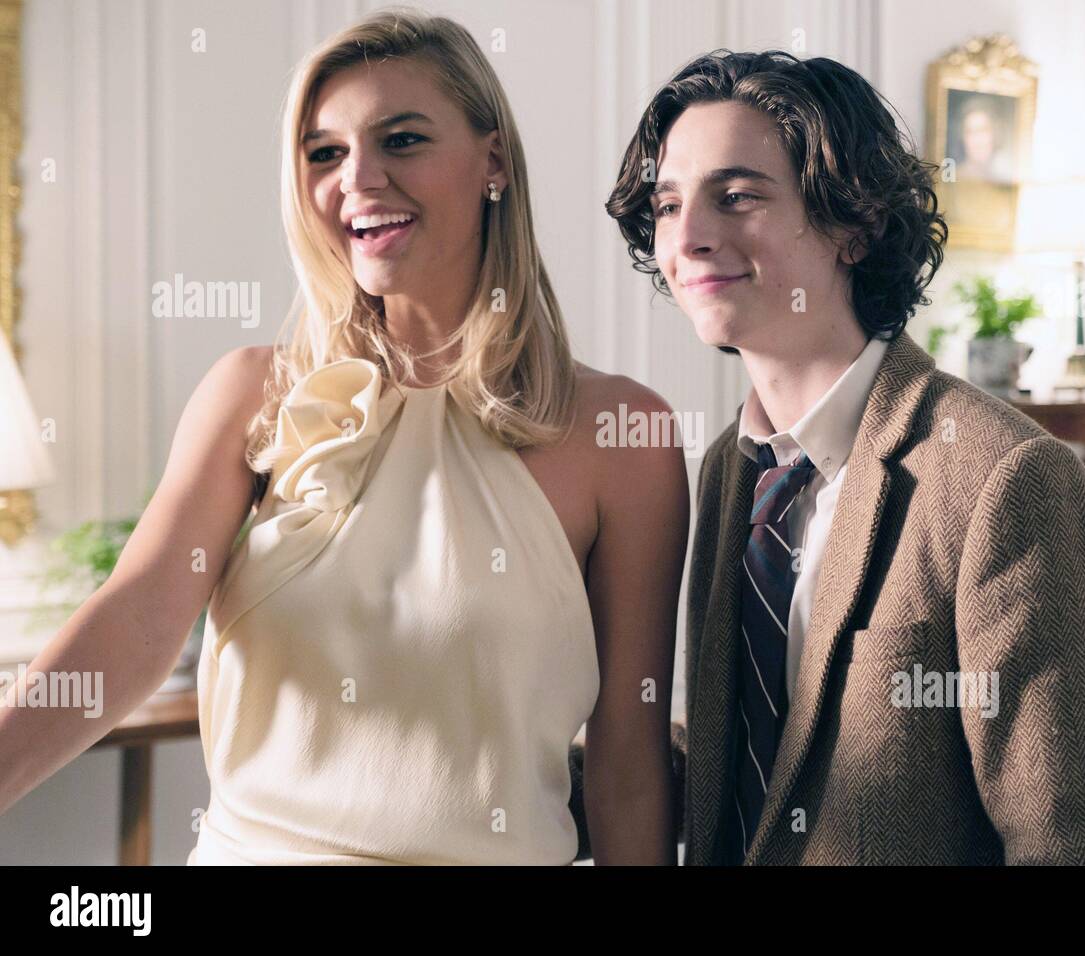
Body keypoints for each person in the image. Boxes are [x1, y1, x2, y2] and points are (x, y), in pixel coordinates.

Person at [0, 9, 686, 866]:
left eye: (401, 141)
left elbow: (629, 758)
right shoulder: (249, 393)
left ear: (493, 162)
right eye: (324, 153)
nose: (359, 177)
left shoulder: (624, 437)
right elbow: (135, 624)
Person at [595, 49, 1085, 864]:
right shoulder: (731, 468)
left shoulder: (1007, 480)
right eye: (669, 203)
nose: (687, 237)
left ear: (854, 225)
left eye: (737, 197)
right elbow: (775, 763)